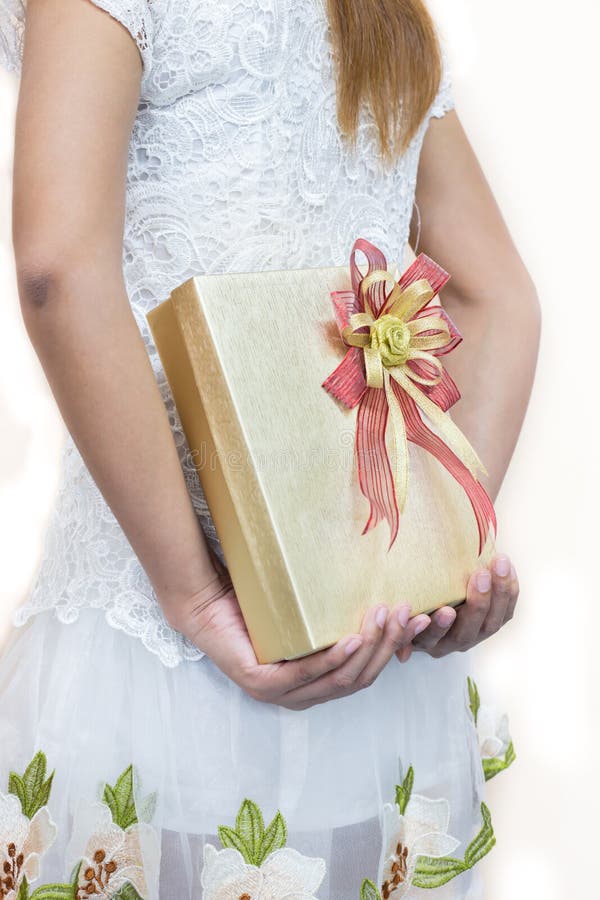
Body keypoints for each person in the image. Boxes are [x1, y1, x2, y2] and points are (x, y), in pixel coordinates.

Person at [0, 1, 540, 897]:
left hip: (156, 660)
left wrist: (196, 596)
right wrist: (440, 557)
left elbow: (59, 263)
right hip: (371, 664)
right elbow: (499, 297)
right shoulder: (383, 11)